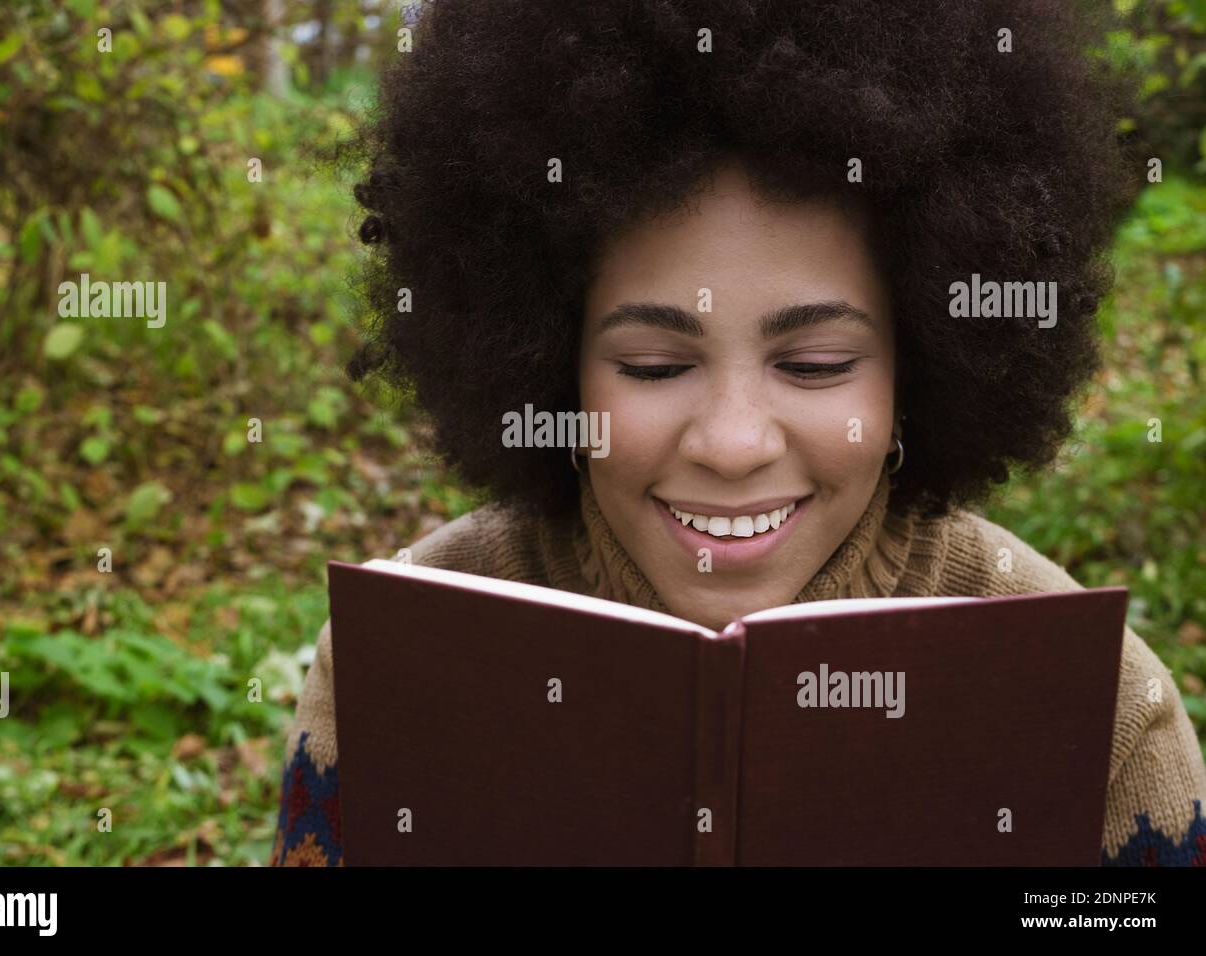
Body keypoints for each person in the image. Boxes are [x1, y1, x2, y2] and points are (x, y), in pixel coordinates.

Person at [270, 0, 1206, 866]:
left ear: (918, 367)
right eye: (652, 367)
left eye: (815, 365)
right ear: (547, 362)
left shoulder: (1104, 710)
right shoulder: (391, 658)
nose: (732, 442)